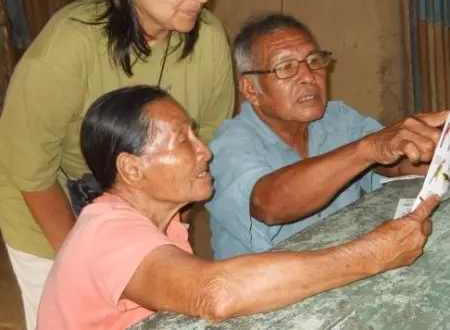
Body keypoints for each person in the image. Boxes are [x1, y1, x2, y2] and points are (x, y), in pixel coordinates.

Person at [0, 0, 234, 329]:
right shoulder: (67, 48)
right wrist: (86, 261)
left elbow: (210, 138)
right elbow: (28, 169)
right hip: (49, 206)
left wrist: (169, 220)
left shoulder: (209, 40)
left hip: (143, 206)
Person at [37, 85, 438, 330]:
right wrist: (373, 255)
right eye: (183, 140)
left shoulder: (164, 221)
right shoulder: (107, 232)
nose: (204, 151)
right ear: (131, 168)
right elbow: (215, 292)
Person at [206, 13, 448, 259]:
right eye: (286, 67)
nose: (309, 77)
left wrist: (437, 146)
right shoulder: (226, 145)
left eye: (313, 61)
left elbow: (395, 163)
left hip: (344, 269)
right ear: (251, 89)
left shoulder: (336, 118)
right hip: (268, 291)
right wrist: (368, 149)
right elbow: (267, 204)